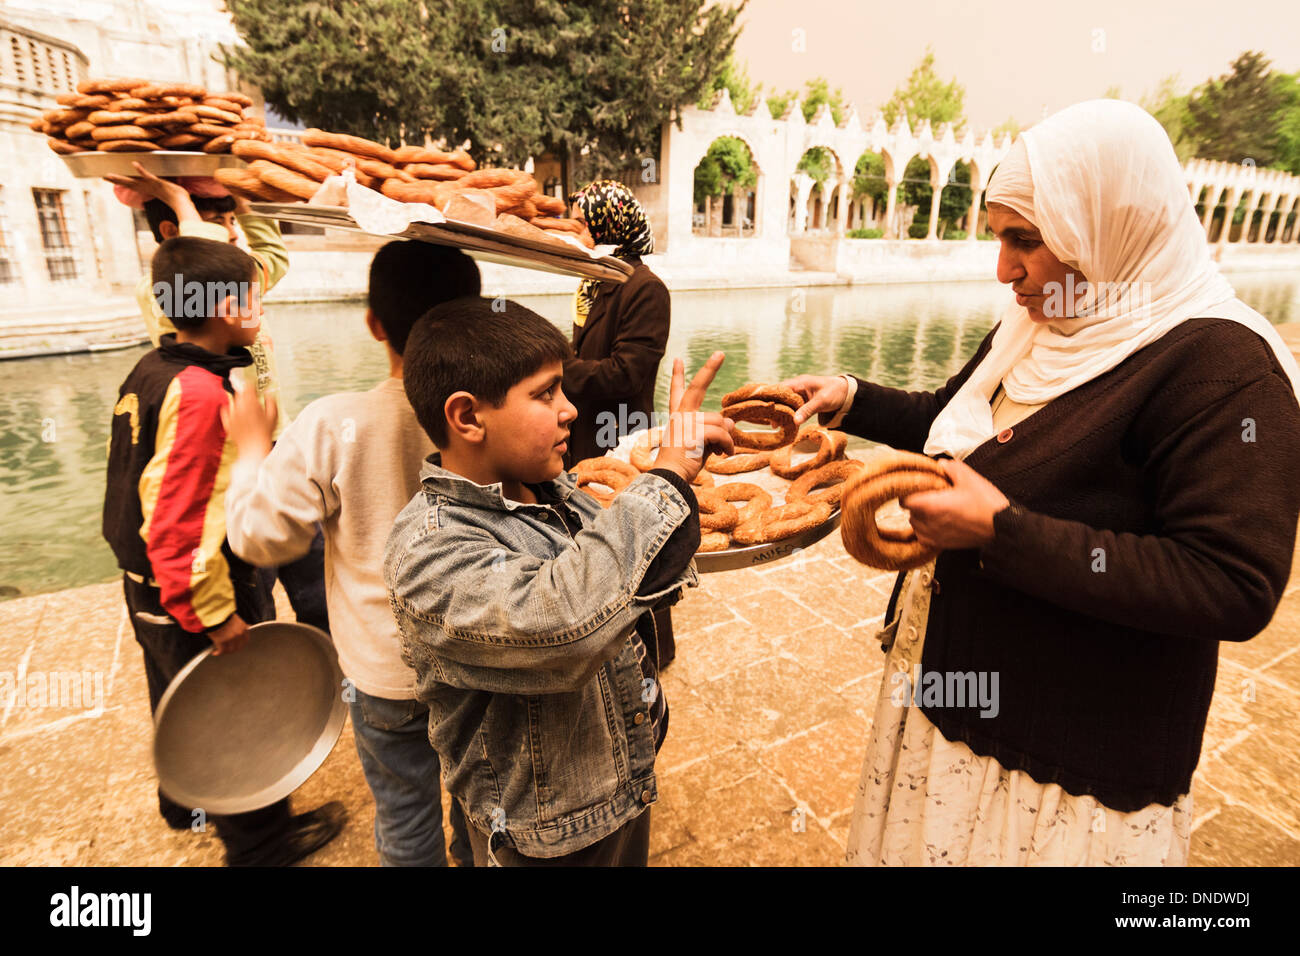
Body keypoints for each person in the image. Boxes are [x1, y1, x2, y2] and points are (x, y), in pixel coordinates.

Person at [785, 99, 1300, 866]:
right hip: (956, 702)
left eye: (1026, 240)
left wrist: (1004, 532)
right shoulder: (1049, 317)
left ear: (1106, 226)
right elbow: (955, 419)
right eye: (999, 238)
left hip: (1064, 764)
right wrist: (852, 397)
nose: (1004, 270)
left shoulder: (1224, 372)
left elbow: (1231, 581)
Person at [383, 296, 733, 865]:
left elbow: (618, 584)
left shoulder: (551, 489)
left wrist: (668, 483)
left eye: (563, 389)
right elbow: (565, 625)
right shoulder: (429, 552)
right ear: (468, 416)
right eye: (545, 394)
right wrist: (667, 475)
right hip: (542, 838)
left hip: (620, 787)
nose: (570, 410)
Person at [222, 241, 482, 867]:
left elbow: (260, 536)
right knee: (482, 805)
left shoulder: (333, 423)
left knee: (403, 814)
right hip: (477, 661)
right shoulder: (491, 416)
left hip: (383, 673)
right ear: (475, 316)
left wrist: (252, 450)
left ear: (373, 323)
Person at [102, 235, 345, 866]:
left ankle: (183, 801)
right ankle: (262, 845)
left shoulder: (153, 370)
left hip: (145, 584)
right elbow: (178, 523)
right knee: (239, 710)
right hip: (198, 586)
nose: (263, 305)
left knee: (176, 686)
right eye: (254, 294)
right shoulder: (204, 396)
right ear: (224, 307)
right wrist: (213, 613)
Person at [104, 163, 330, 636]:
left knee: (313, 574)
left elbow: (265, 256)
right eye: (222, 226)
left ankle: (326, 653)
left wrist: (245, 198)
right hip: (231, 463)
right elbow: (177, 517)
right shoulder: (175, 315)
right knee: (251, 576)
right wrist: (180, 199)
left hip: (272, 451)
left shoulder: (228, 295)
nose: (233, 234)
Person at [563, 180, 677, 666]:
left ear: (610, 224)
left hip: (619, 432)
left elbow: (627, 372)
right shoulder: (595, 279)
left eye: (583, 223)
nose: (576, 231)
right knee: (597, 537)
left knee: (639, 542)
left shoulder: (645, 288)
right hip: (584, 430)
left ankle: (657, 648)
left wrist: (555, 372)